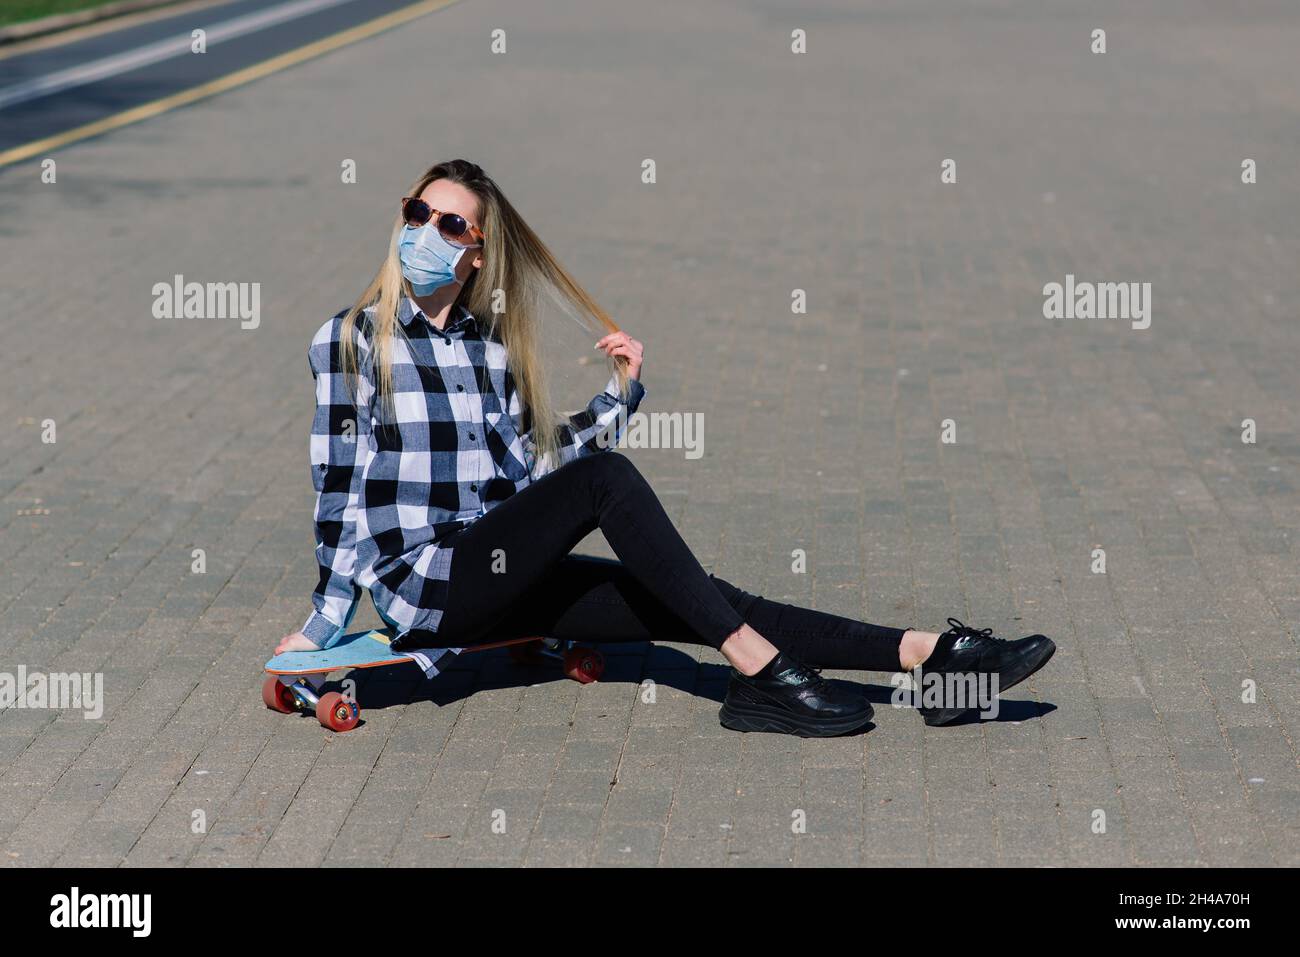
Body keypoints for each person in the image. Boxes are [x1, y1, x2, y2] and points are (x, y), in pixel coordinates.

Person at [276, 159, 1055, 736]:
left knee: (700, 599)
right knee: (611, 486)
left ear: (476, 251)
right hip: (432, 588)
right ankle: (757, 672)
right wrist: (324, 623)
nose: (424, 232)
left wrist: (620, 394)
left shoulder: (487, 351)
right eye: (417, 212)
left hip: (499, 573)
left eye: (449, 223)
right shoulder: (351, 339)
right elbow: (337, 494)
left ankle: (933, 662)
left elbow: (536, 473)